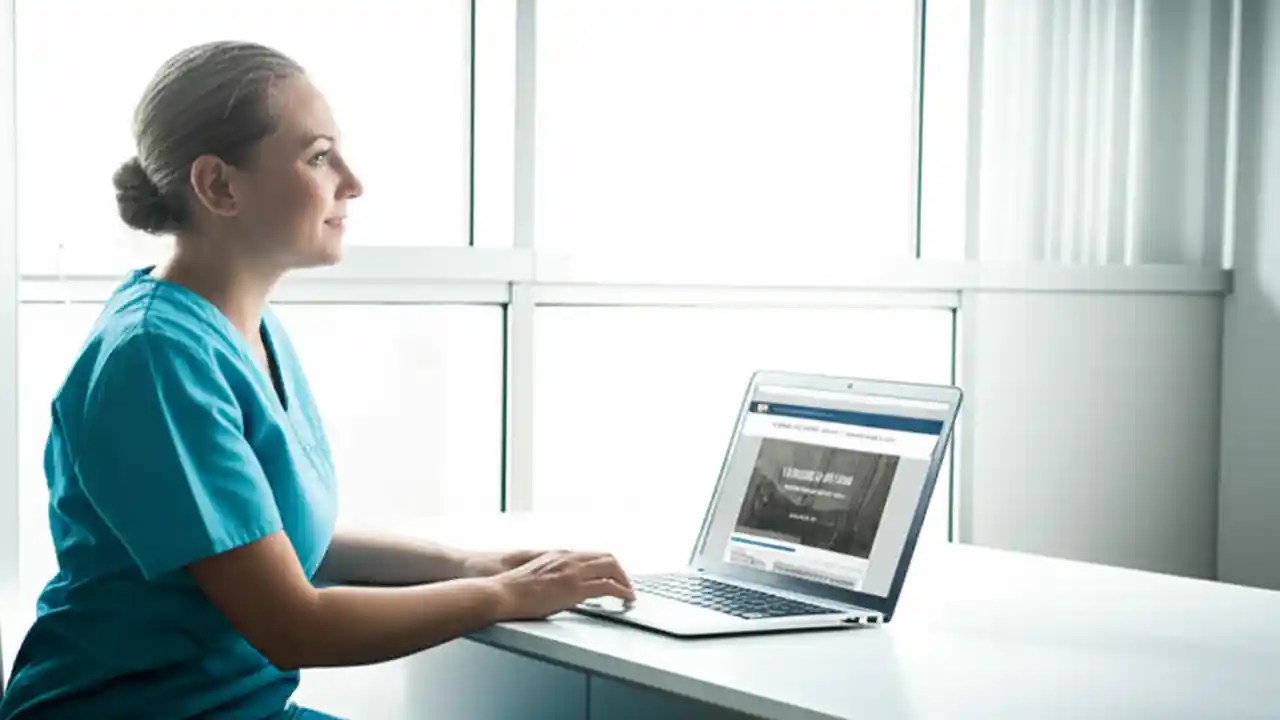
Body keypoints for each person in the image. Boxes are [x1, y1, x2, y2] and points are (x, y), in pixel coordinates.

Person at [0, 41, 634, 720]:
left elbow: (276, 541)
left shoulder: (243, 328)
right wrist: (505, 598)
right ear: (218, 185)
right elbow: (292, 625)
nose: (352, 182)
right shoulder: (157, 357)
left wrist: (471, 566)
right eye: (318, 156)